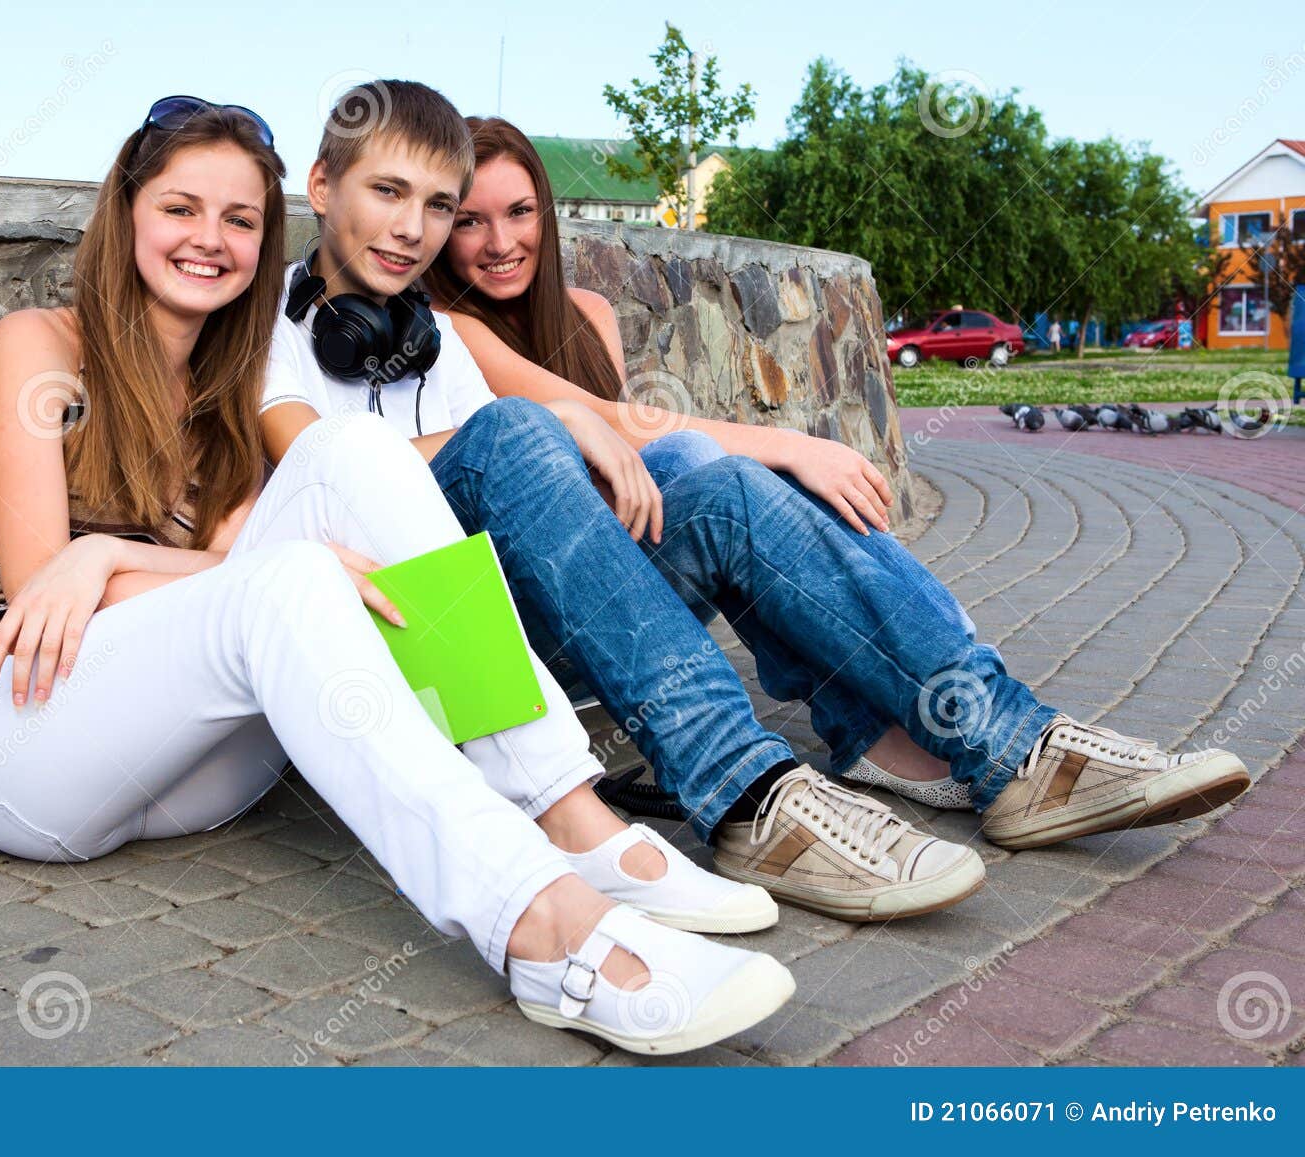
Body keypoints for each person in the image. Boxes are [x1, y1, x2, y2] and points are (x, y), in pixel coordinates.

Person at [0, 96, 793, 1055]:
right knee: (287, 575)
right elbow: (48, 589)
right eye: (180, 208)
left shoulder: (233, 384)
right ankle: (547, 926)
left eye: (241, 220)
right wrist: (138, 558)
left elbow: (222, 571)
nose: (210, 239)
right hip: (17, 733)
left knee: (355, 452)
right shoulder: (41, 349)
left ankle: (568, 813)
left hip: (189, 771)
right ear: (126, 211)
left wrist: (123, 551)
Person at [421, 113, 1250, 871]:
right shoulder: (450, 329)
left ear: (548, 214)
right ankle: (934, 736)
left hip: (622, 590)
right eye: (469, 220)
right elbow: (612, 420)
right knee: (729, 473)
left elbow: (635, 459)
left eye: (519, 212)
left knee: (718, 478)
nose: (499, 241)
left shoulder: (585, 310)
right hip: (541, 629)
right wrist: (794, 443)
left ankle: (977, 743)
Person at [260, 82, 1003, 925]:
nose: (412, 228)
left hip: (510, 646)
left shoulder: (437, 337)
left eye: (436, 205)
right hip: (403, 659)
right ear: (321, 186)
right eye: (388, 193)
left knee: (712, 486)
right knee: (517, 432)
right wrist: (553, 421)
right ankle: (747, 788)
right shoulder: (263, 333)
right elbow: (318, 460)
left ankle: (1004, 737)